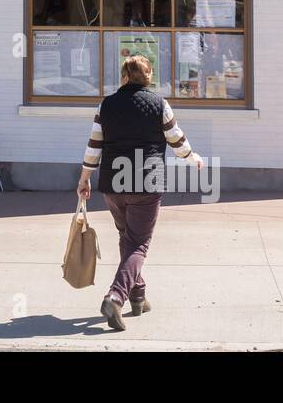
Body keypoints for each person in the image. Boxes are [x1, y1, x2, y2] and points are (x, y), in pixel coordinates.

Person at [77, 54, 203, 332]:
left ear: (124, 77)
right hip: (147, 183)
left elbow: (94, 145)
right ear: (148, 77)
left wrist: (84, 178)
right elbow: (175, 138)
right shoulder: (160, 104)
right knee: (138, 244)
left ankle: (138, 296)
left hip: (113, 183)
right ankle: (115, 297)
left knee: (128, 239)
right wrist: (191, 156)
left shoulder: (106, 104)